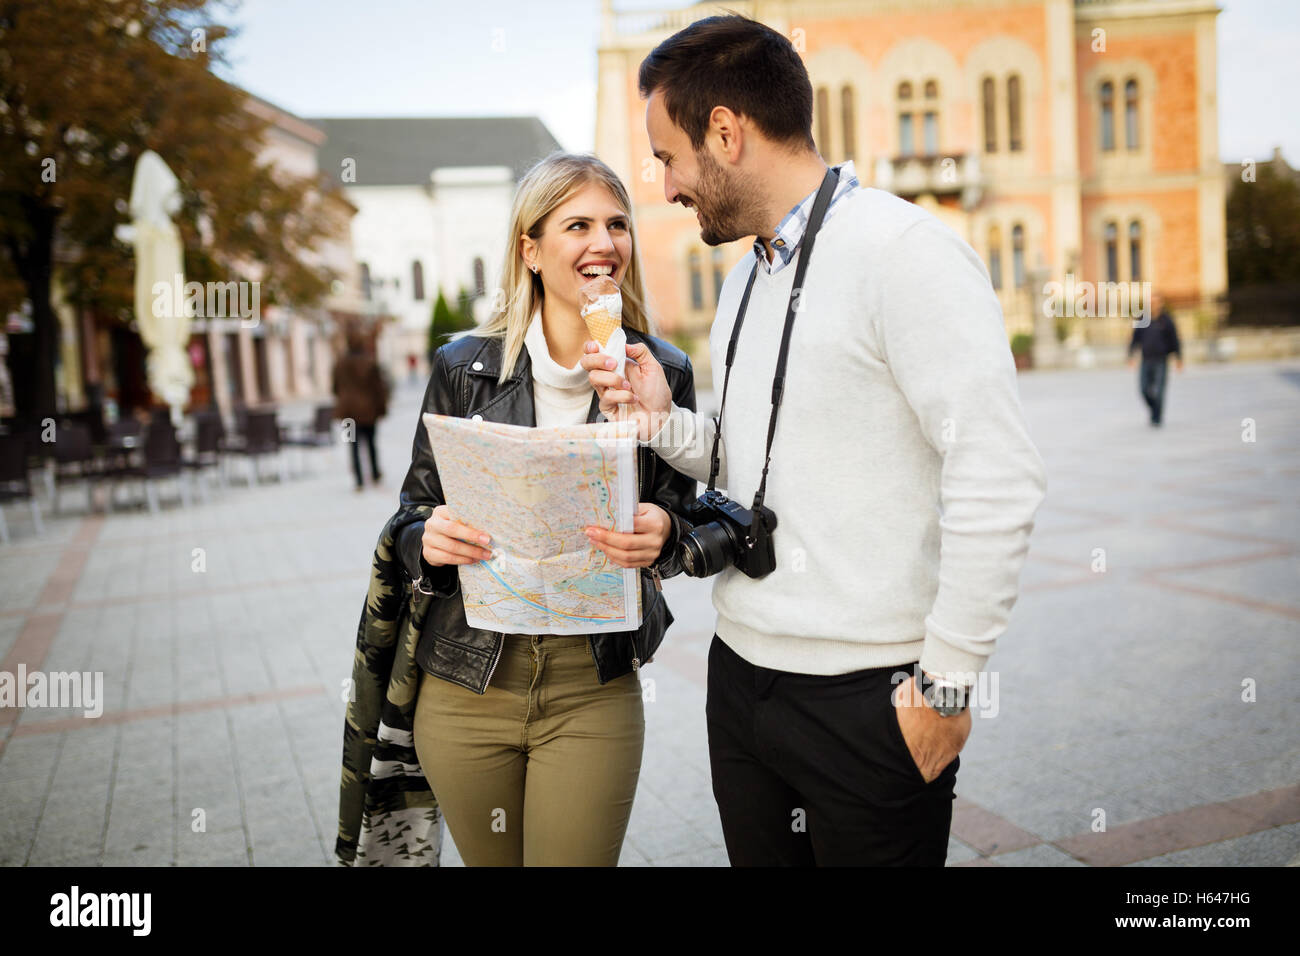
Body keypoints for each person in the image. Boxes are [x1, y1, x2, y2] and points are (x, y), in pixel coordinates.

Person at [583, 14, 1047, 866]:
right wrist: (662, 423)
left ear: (726, 133)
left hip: (868, 700)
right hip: (742, 681)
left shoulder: (907, 253)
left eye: (668, 157)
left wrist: (947, 684)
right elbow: (752, 456)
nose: (667, 185)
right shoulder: (743, 280)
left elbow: (997, 473)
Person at [393, 152, 698, 866]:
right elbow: (411, 514)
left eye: (617, 224)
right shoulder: (463, 367)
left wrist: (667, 533)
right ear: (530, 250)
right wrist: (428, 540)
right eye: (578, 226)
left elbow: (693, 511)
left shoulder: (661, 369)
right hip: (467, 682)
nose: (604, 243)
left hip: (591, 686)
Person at [332, 328, 388, 491]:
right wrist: (382, 408)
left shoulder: (339, 363)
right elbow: (379, 388)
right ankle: (375, 474)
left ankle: (359, 480)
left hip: (348, 413)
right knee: (371, 443)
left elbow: (334, 387)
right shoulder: (369, 362)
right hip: (368, 410)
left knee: (352, 444)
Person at [1127, 293, 1183, 426]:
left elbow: (1174, 339)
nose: (1153, 305)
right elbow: (1135, 338)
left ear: (1161, 304)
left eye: (1155, 302)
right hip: (1146, 360)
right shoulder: (1142, 319)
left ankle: (1156, 418)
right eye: (1151, 302)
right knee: (1143, 389)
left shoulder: (1167, 320)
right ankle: (1154, 409)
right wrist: (1131, 355)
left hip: (1161, 360)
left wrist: (1178, 358)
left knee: (1159, 390)